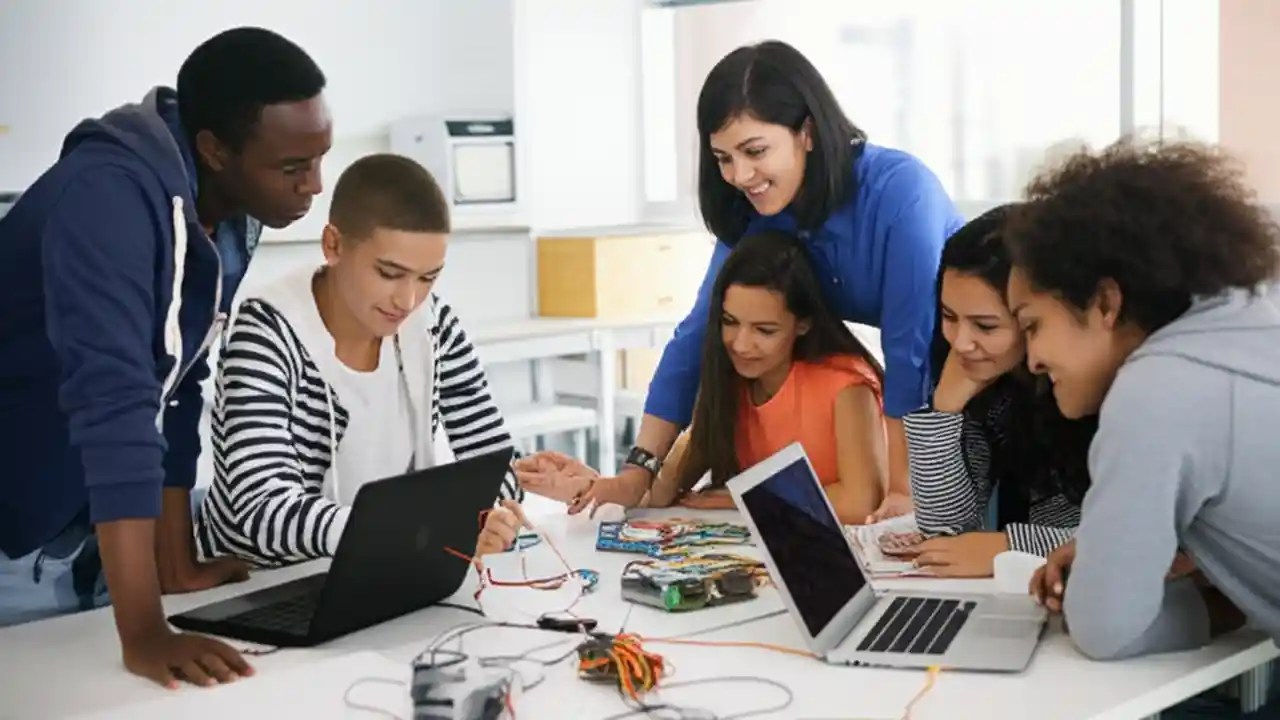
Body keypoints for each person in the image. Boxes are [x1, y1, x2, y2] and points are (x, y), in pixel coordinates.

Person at [0, 27, 330, 688]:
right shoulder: (105, 200)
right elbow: (115, 403)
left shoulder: (224, 213)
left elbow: (178, 380)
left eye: (319, 158)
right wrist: (145, 629)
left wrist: (173, 565)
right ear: (214, 150)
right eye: (292, 168)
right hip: (17, 530)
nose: (314, 186)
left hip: (88, 531)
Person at [560, 40, 962, 521]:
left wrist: (901, 488)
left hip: (975, 377)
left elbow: (908, 346)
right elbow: (697, 335)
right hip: (927, 395)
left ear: (807, 132)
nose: (740, 175)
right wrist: (637, 471)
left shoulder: (901, 192)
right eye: (723, 158)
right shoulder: (760, 212)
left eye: (754, 151)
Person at [1010, 141, 1280, 678]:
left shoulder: (1158, 388)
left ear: (1105, 302)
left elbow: (1106, 630)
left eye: (1032, 325)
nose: (1033, 361)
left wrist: (1218, 606)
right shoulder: (1249, 323)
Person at [195, 154, 526, 568]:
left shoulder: (433, 325)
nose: (408, 300)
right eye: (389, 273)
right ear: (333, 245)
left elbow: (496, 463)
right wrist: (413, 530)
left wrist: (488, 517)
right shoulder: (266, 330)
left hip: (382, 568)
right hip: (255, 582)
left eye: (428, 277)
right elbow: (262, 510)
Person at [523, 231, 887, 525]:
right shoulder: (729, 382)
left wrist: (740, 497)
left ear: (803, 323)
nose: (741, 345)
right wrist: (590, 485)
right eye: (730, 323)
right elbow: (660, 492)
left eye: (764, 330)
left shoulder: (846, 384)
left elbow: (858, 504)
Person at [901, 205, 1095, 578]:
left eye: (986, 326)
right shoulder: (986, 384)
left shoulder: (1093, 387)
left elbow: (1134, 541)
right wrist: (944, 410)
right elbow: (946, 531)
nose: (961, 342)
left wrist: (1010, 546)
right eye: (948, 316)